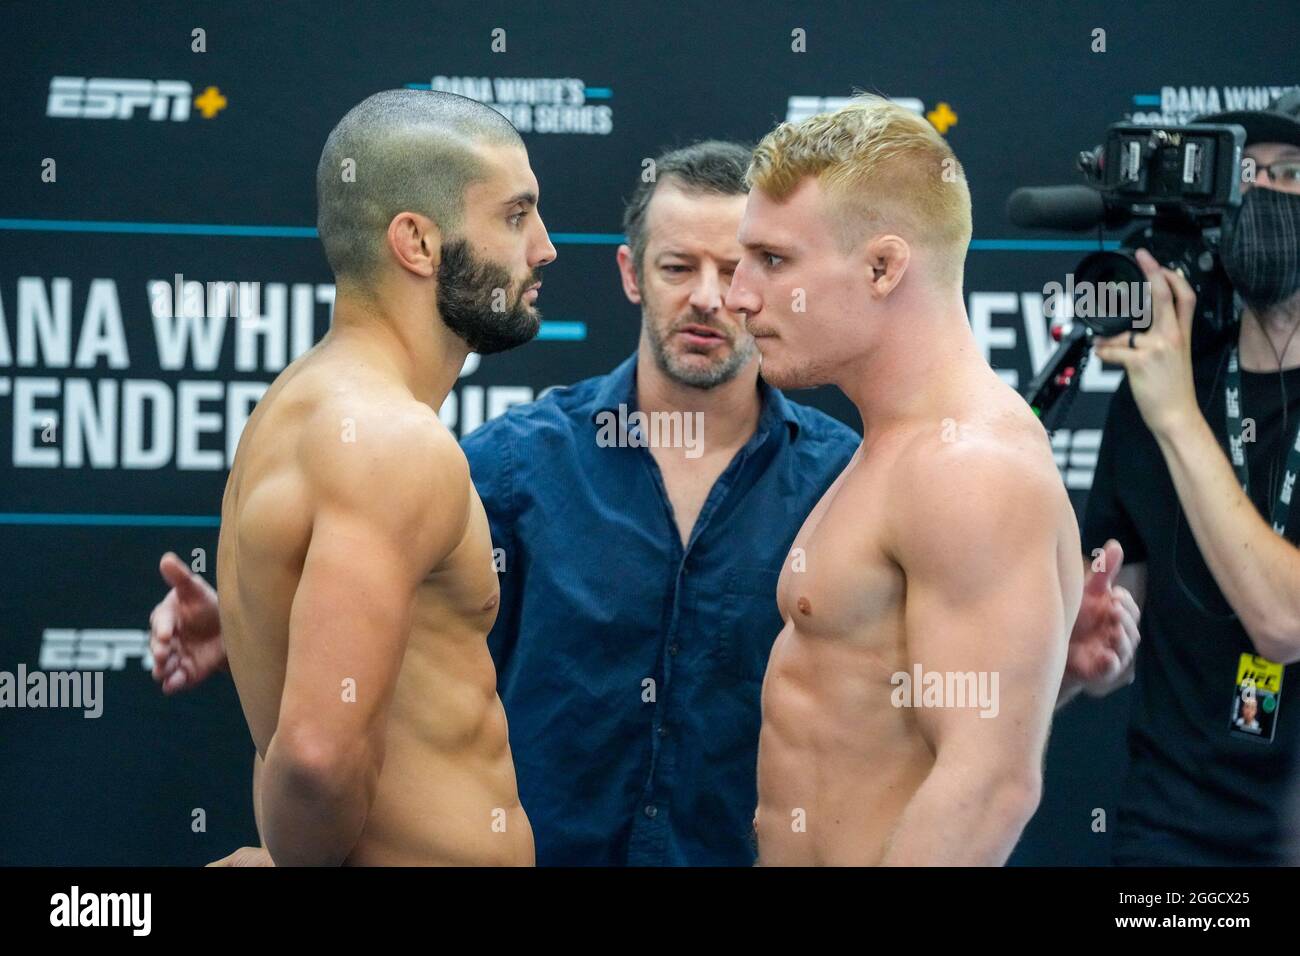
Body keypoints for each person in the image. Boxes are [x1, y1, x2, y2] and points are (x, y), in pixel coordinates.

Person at [151, 138, 1133, 867]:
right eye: (676, 267)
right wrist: (257, 613)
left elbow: (931, 717)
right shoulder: (501, 468)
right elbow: (401, 644)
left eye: (735, 268)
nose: (708, 297)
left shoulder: (856, 485)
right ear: (630, 273)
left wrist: (1052, 659)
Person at [727, 93, 1083, 866]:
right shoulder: (894, 447)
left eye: (774, 262)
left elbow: (990, 784)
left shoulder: (967, 466)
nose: (737, 296)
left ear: (884, 266)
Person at [202, 87, 555, 865]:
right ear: (418, 243)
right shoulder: (393, 442)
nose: (545, 248)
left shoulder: (296, 405)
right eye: (514, 215)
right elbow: (318, 757)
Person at [1080, 91, 1300, 865]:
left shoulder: (1163, 400)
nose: (1268, 191)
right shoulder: (1156, 393)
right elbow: (1109, 651)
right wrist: (1074, 656)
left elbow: (1285, 623)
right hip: (1168, 835)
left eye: (1293, 173)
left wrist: (1178, 416)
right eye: (1251, 173)